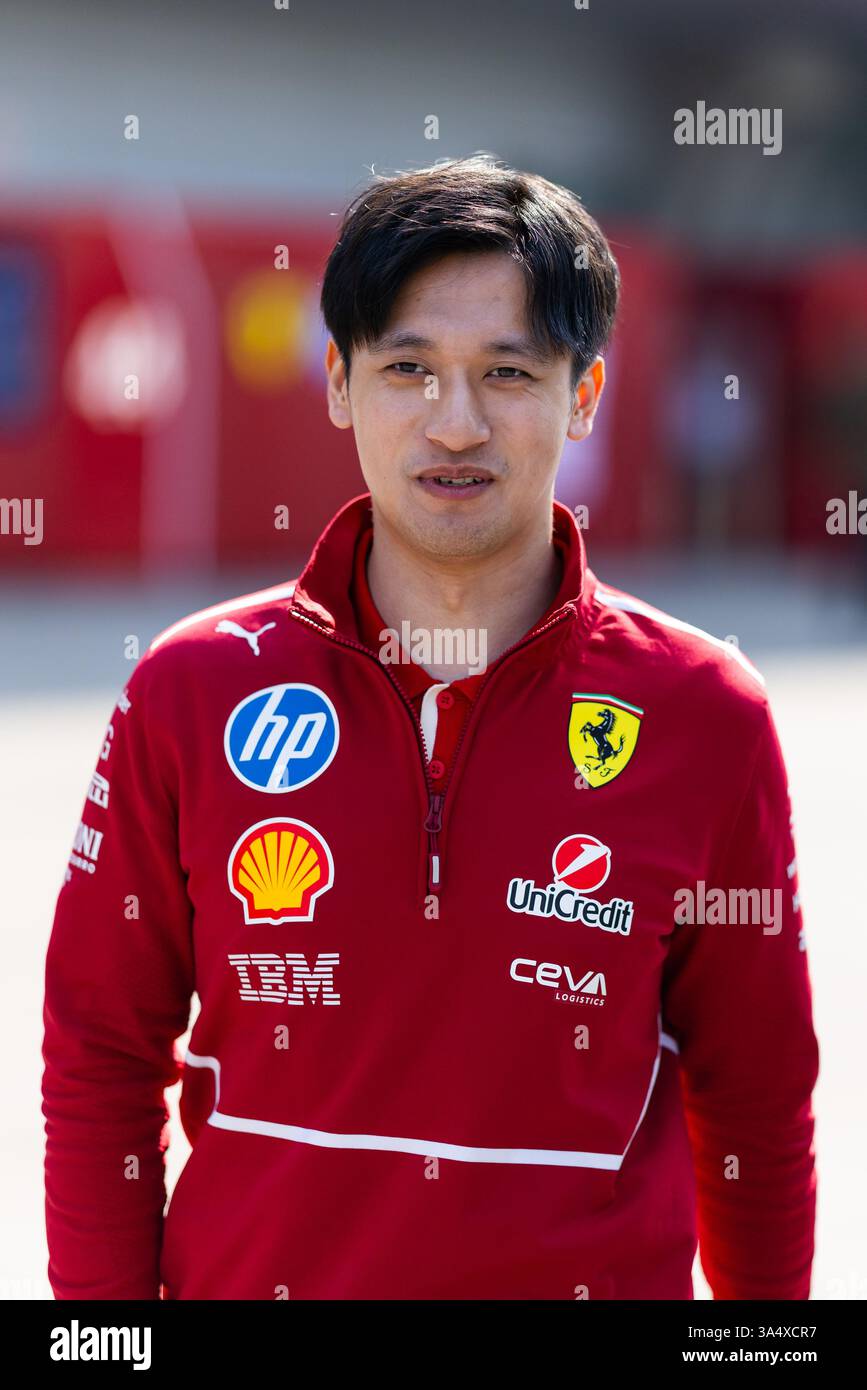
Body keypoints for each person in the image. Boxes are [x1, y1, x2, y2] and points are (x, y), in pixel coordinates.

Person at [42, 154, 819, 1301]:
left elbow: (755, 1095)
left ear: (586, 395)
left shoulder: (705, 712)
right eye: (409, 367)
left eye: (508, 371)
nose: (455, 422)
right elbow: (101, 1059)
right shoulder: (192, 691)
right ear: (341, 383)